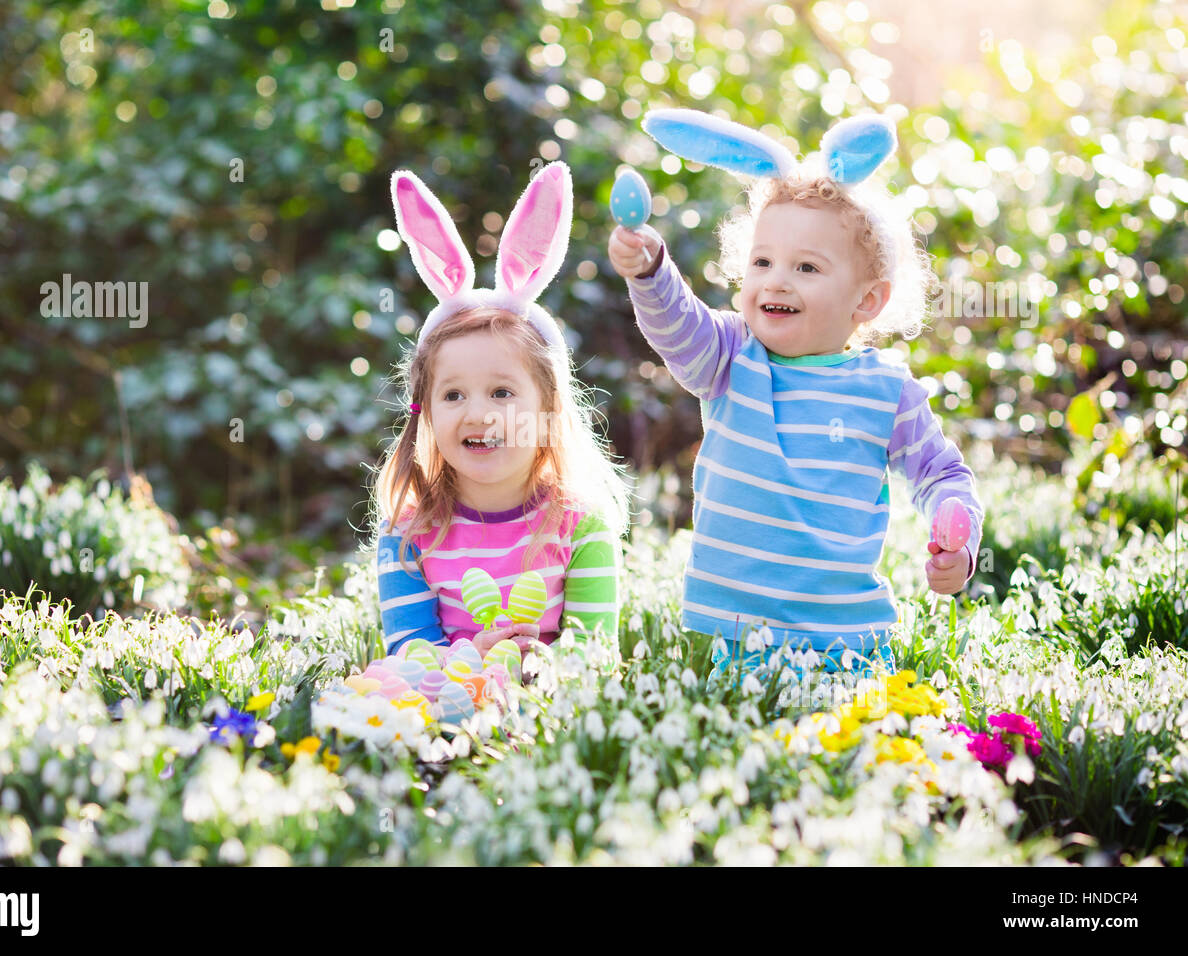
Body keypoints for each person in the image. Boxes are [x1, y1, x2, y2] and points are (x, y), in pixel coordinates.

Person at [607, 110, 984, 686]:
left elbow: (940, 472)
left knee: (834, 754)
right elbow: (677, 325)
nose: (775, 281)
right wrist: (652, 270)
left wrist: (956, 532)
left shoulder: (887, 391)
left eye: (806, 267)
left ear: (867, 300)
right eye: (762, 262)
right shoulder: (732, 356)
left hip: (845, 635)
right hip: (735, 632)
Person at [373, 161, 630, 661]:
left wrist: (537, 667)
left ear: (549, 408)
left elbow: (595, 654)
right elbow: (410, 655)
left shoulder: (580, 524)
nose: (478, 414)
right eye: (453, 395)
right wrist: (477, 661)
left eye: (502, 393)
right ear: (424, 413)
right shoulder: (408, 535)